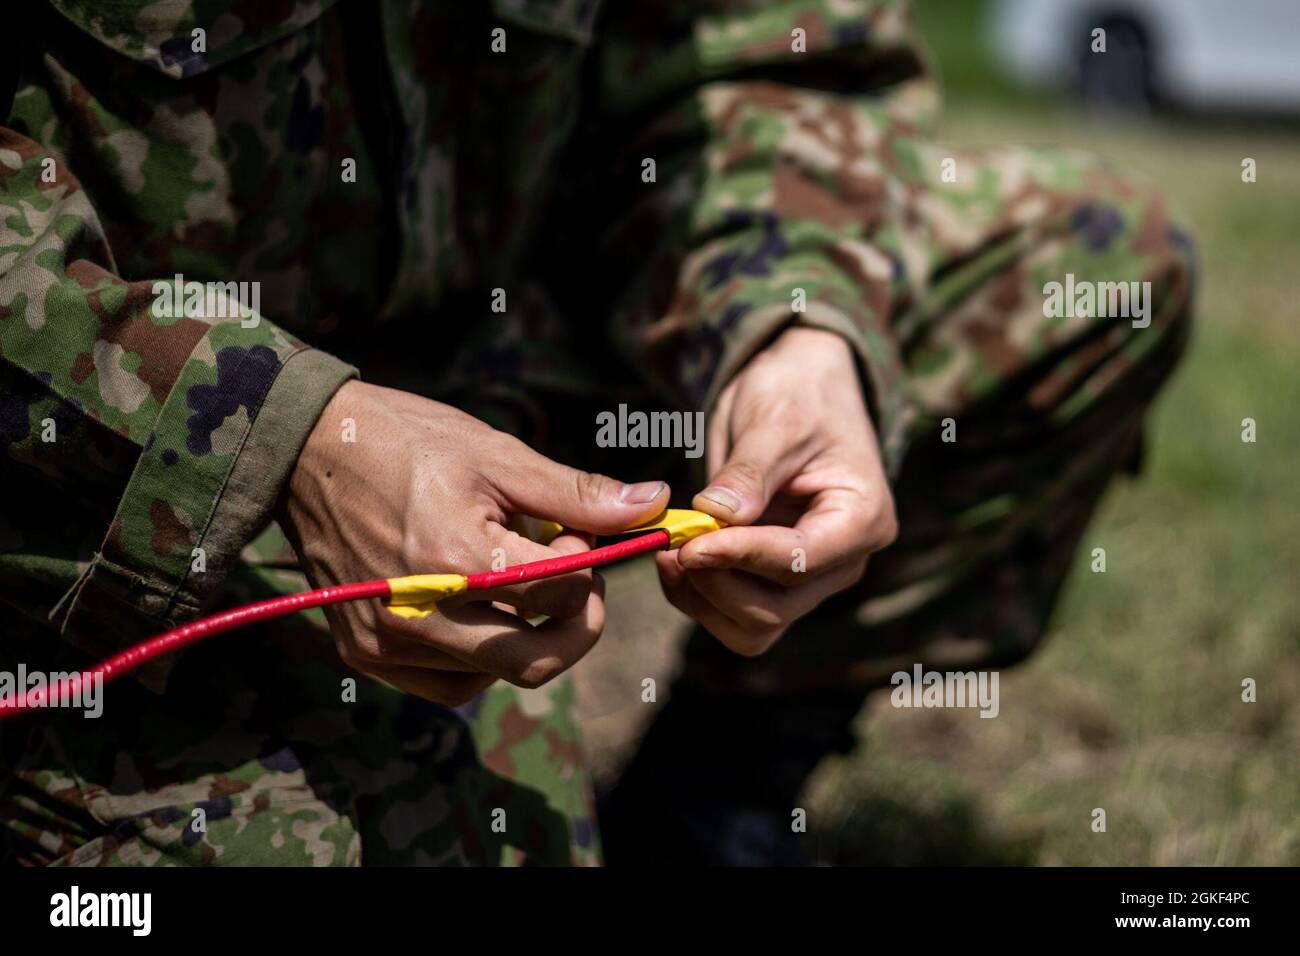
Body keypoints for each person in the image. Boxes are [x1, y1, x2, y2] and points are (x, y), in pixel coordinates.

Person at [0, 0, 1191, 865]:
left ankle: (714, 803)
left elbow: (752, 57)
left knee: (1090, 265)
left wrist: (793, 325)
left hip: (531, 341)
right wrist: (291, 437)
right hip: (119, 471)